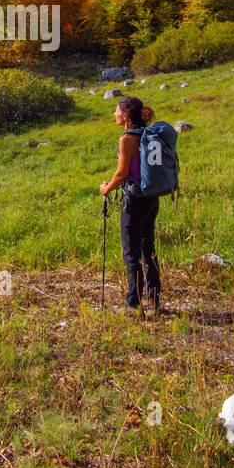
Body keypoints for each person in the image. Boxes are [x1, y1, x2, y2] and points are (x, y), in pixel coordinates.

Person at [99, 95, 161, 313]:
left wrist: (106, 189)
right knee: (148, 248)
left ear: (125, 116)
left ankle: (132, 304)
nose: (114, 114)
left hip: (134, 200)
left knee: (131, 253)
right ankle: (153, 300)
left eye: (116, 110)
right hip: (151, 198)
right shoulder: (148, 133)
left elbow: (121, 174)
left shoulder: (127, 138)